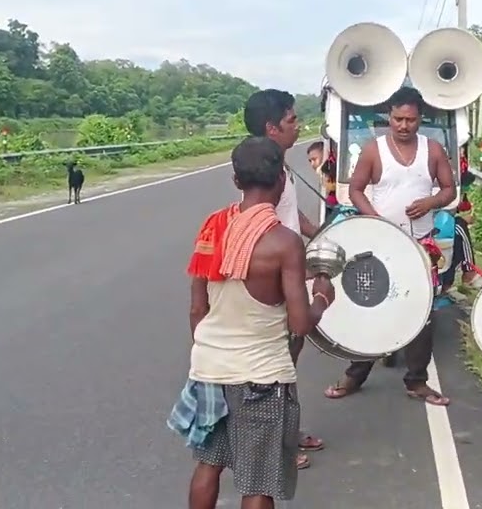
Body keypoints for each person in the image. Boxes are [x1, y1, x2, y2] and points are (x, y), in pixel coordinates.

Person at [170, 136, 336, 509]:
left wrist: (214, 352)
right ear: (282, 179)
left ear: (235, 180)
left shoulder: (213, 229)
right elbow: (300, 324)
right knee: (257, 481)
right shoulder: (283, 242)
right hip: (260, 376)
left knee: (208, 465)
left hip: (210, 369)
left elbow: (198, 310)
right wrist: (323, 296)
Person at [324, 86, 458, 407]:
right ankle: (355, 375)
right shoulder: (374, 150)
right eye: (398, 119)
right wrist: (375, 220)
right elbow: (356, 190)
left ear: (420, 119)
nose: (404, 125)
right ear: (389, 117)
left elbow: (449, 189)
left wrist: (430, 202)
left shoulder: (433, 150)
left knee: (422, 312)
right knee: (375, 307)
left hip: (422, 245)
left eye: (410, 120)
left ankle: (417, 381)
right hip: (382, 243)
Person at [242, 89, 325, 468]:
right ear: (271, 127)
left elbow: (295, 219)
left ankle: (286, 432)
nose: (298, 126)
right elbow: (268, 234)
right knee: (276, 367)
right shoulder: (265, 174)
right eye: (292, 120)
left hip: (289, 273)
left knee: (288, 362)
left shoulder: (282, 167)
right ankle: (276, 446)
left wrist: (324, 232)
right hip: (278, 284)